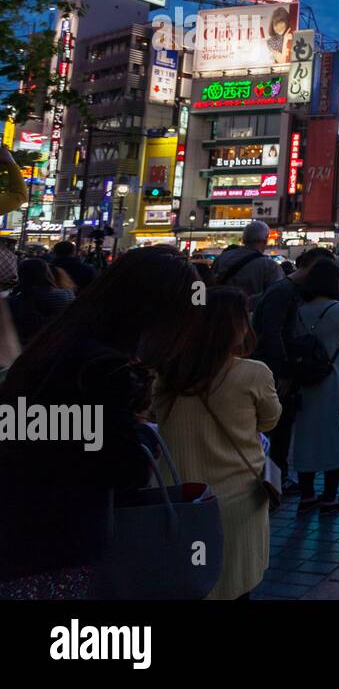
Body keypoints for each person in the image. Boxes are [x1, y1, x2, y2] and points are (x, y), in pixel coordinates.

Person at [0, 247, 198, 598]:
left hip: (22, 531)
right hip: (54, 546)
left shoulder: (59, 342)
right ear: (153, 314)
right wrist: (141, 432)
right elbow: (125, 467)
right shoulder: (105, 368)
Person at [153, 287, 281, 600]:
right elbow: (270, 421)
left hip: (180, 498)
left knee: (188, 580)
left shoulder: (168, 370)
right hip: (238, 499)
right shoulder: (254, 373)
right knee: (234, 581)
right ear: (233, 326)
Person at [250, 245, 334, 485]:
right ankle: (271, 478)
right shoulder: (283, 292)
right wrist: (283, 371)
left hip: (281, 366)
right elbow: (271, 333)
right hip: (274, 368)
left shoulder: (292, 290)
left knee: (283, 424)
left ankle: (278, 476)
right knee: (274, 424)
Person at [292, 261, 339, 513]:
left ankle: (306, 495)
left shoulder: (301, 310)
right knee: (338, 434)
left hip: (308, 380)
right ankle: (330, 496)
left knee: (306, 435)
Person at [212, 221, 285, 304]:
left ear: (244, 239)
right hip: (250, 314)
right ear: (265, 240)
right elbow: (276, 296)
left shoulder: (222, 258)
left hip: (219, 311)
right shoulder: (269, 266)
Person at [7, 258, 75, 345]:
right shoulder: (67, 295)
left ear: (21, 276)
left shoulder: (14, 303)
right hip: (59, 346)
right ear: (48, 274)